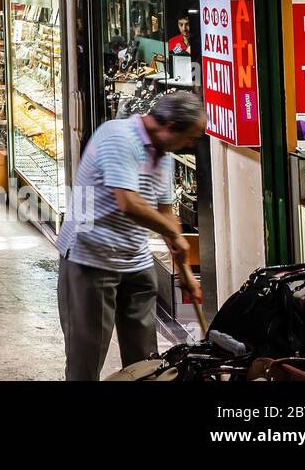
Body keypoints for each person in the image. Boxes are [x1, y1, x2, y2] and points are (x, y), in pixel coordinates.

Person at [56, 91, 205, 381]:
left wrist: (184, 270)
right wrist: (174, 232)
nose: (191, 145)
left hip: (135, 261)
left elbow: (165, 213)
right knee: (86, 359)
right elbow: (128, 203)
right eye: (190, 137)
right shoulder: (118, 136)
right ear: (170, 126)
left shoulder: (163, 156)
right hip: (92, 260)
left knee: (146, 363)